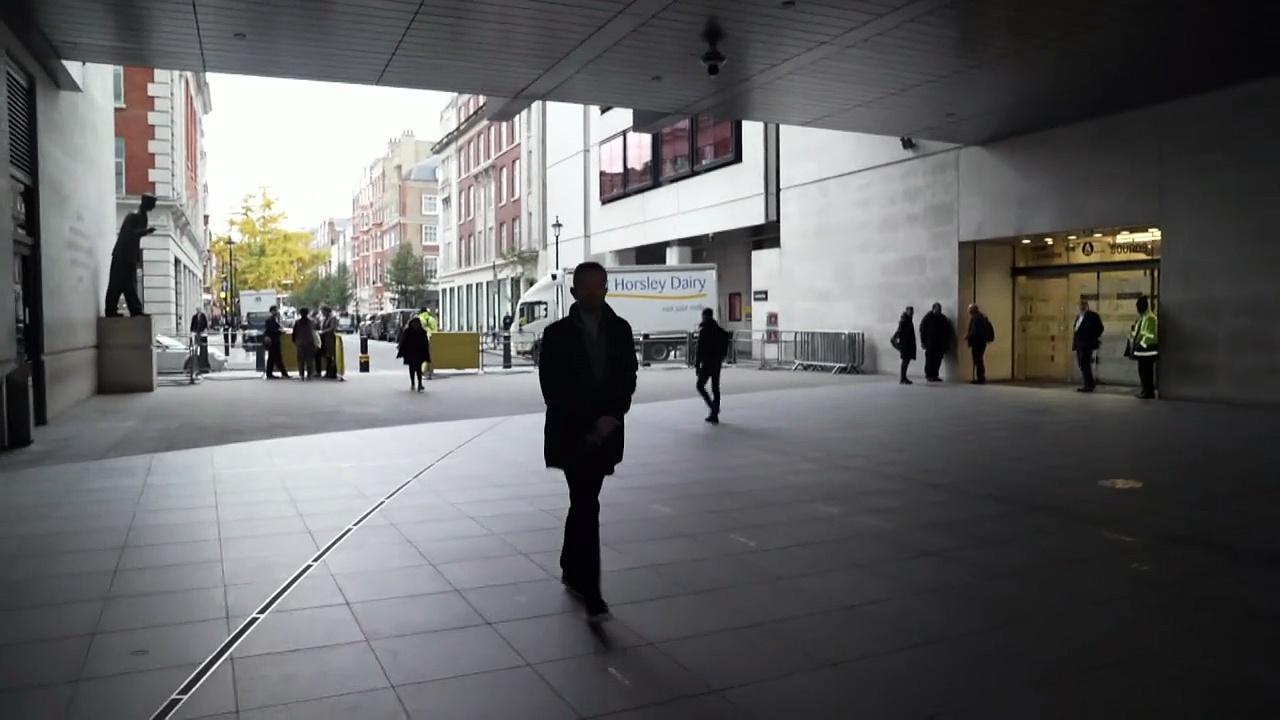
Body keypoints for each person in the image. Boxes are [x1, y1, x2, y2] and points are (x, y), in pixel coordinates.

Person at [539, 262, 637, 622]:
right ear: (574, 291)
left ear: (606, 289)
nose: (594, 292)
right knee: (586, 504)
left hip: (606, 430)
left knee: (583, 501)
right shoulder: (556, 334)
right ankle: (592, 590)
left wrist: (611, 416)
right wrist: (589, 426)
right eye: (587, 286)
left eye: (600, 286)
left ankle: (569, 562)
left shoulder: (621, 330)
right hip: (574, 434)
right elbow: (554, 390)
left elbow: (627, 377)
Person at [104, 193, 157, 317]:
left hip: (129, 257)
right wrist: (146, 231)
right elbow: (129, 233)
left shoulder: (143, 217)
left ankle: (135, 310)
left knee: (130, 285)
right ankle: (111, 310)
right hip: (121, 256)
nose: (154, 207)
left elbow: (135, 238)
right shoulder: (132, 216)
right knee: (116, 284)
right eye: (152, 204)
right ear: (146, 203)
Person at [695, 307, 730, 423]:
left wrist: (697, 365)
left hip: (707, 363)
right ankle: (714, 414)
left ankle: (713, 408)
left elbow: (699, 350)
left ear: (705, 316)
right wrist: (722, 356)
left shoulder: (704, 331)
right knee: (716, 388)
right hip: (717, 362)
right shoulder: (720, 331)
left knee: (700, 386)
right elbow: (726, 340)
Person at [1128, 295, 1159, 399]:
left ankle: (1148, 392)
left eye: (1138, 306)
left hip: (1147, 350)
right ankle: (1145, 390)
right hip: (1142, 350)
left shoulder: (1150, 317)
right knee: (1143, 372)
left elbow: (1150, 335)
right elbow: (1138, 332)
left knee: (1146, 372)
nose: (1137, 308)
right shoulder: (1142, 317)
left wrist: (1141, 345)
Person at [1072, 299, 1104, 392]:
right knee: (1082, 364)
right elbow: (1076, 330)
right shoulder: (1078, 316)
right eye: (1080, 305)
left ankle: (1088, 385)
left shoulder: (1093, 316)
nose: (1081, 306)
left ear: (1087, 305)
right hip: (1079, 344)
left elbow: (1100, 328)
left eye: (1083, 304)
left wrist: (1093, 338)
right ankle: (1090, 383)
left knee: (1085, 364)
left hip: (1087, 344)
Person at [918, 302, 953, 382]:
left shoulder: (943, 318)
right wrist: (923, 341)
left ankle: (935, 375)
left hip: (940, 344)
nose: (939, 310)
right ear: (933, 308)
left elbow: (947, 331)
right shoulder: (928, 317)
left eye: (940, 309)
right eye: (938, 308)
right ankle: (929, 375)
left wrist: (946, 343)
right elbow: (922, 330)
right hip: (930, 343)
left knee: (938, 360)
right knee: (930, 360)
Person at [397, 316, 431, 392]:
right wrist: (400, 347)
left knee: (418, 368)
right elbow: (403, 341)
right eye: (414, 323)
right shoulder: (408, 331)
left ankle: (419, 383)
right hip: (410, 352)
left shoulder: (422, 332)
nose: (416, 325)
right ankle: (413, 383)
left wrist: (426, 351)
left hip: (419, 353)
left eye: (417, 323)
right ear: (411, 324)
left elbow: (425, 343)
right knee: (412, 368)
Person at [965, 304, 995, 384]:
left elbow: (974, 331)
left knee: (978, 360)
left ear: (972, 310)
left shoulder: (976, 318)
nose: (968, 311)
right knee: (979, 359)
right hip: (982, 342)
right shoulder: (982, 317)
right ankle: (980, 377)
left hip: (977, 342)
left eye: (969, 310)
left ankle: (980, 378)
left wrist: (968, 337)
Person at [890, 306, 916, 385]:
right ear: (906, 311)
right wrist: (894, 339)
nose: (912, 313)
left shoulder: (908, 320)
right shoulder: (904, 321)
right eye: (910, 311)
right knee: (905, 361)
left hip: (908, 344)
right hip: (905, 344)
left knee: (906, 361)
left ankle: (904, 377)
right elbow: (899, 331)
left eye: (912, 311)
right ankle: (902, 378)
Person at [264, 305, 290, 379]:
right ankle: (283, 373)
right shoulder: (269, 320)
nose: (277, 311)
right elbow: (270, 330)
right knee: (277, 358)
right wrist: (280, 332)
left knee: (272, 358)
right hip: (273, 341)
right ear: (272, 311)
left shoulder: (275, 319)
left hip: (275, 341)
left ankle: (270, 373)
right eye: (275, 310)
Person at [293, 308, 319, 380]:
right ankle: (309, 374)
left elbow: (294, 333)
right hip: (309, 343)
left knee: (300, 360)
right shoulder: (311, 322)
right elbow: (315, 332)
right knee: (309, 359)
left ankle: (301, 374)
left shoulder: (297, 322)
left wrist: (295, 341)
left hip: (300, 343)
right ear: (307, 313)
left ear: (300, 313)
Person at [319, 306, 340, 379]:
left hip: (330, 340)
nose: (322, 313)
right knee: (327, 356)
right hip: (325, 339)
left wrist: (323, 332)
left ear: (327, 311)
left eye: (323, 312)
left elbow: (332, 328)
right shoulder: (325, 318)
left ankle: (331, 373)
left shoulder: (332, 318)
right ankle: (328, 372)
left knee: (330, 356)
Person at [417, 307, 437, 380]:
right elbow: (435, 331)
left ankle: (421, 370)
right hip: (429, 339)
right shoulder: (431, 319)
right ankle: (427, 370)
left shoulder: (418, 319)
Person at [190, 307, 210, 373]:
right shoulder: (194, 317)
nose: (198, 311)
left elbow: (205, 325)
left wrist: (204, 330)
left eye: (199, 309)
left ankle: (204, 366)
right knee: (196, 349)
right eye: (197, 309)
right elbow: (192, 325)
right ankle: (197, 366)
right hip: (196, 334)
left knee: (203, 350)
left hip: (202, 334)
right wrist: (192, 332)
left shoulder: (203, 316)